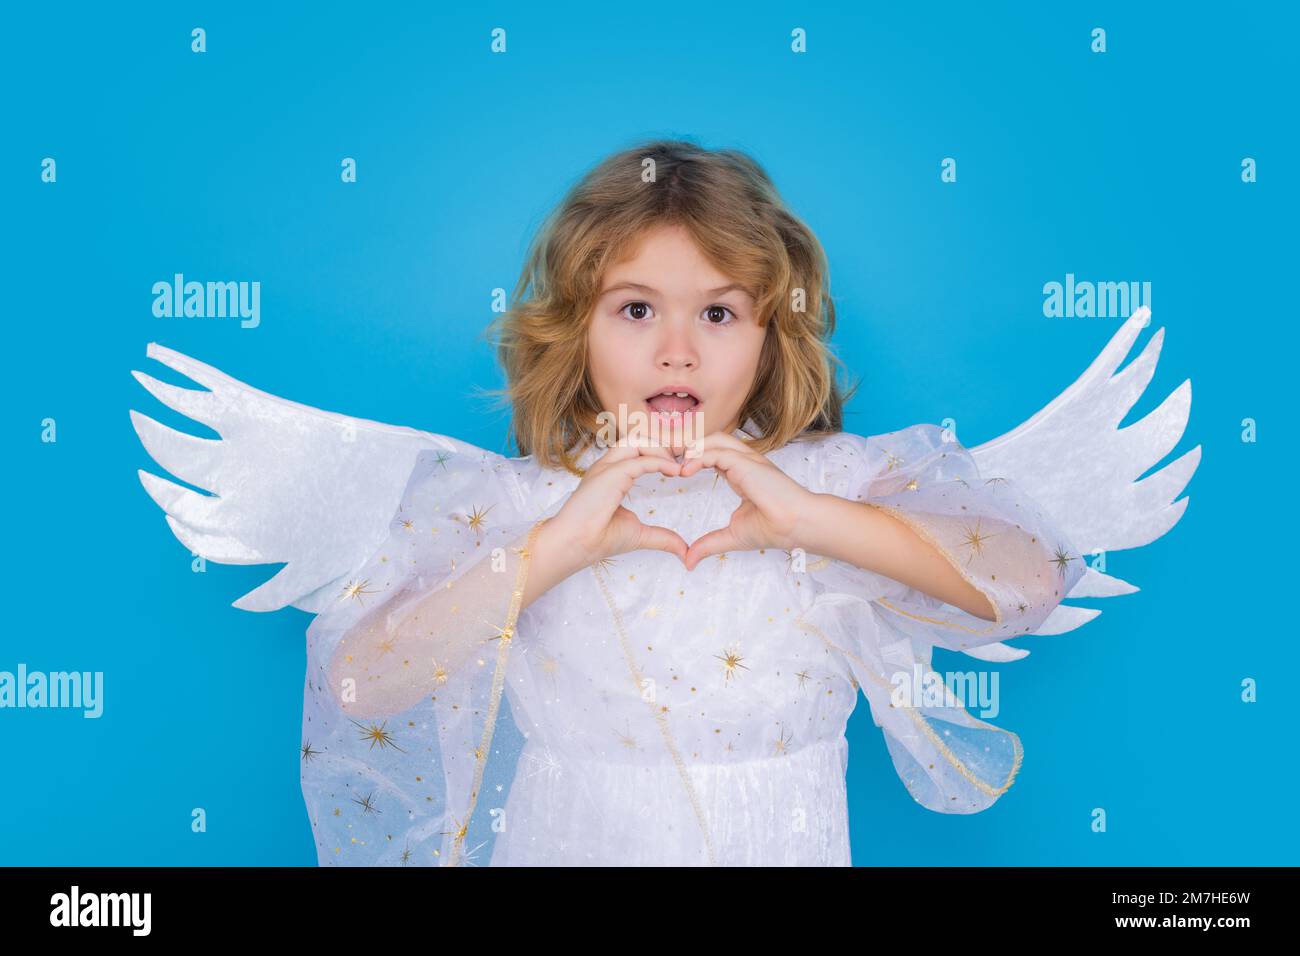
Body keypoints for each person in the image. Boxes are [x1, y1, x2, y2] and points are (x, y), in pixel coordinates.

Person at [132, 139, 1198, 866]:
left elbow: (1024, 579)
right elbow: (361, 678)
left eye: (720, 312)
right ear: (576, 328)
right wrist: (555, 546)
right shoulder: (516, 504)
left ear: (773, 331)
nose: (677, 346)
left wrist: (802, 519)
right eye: (636, 307)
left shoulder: (843, 484)